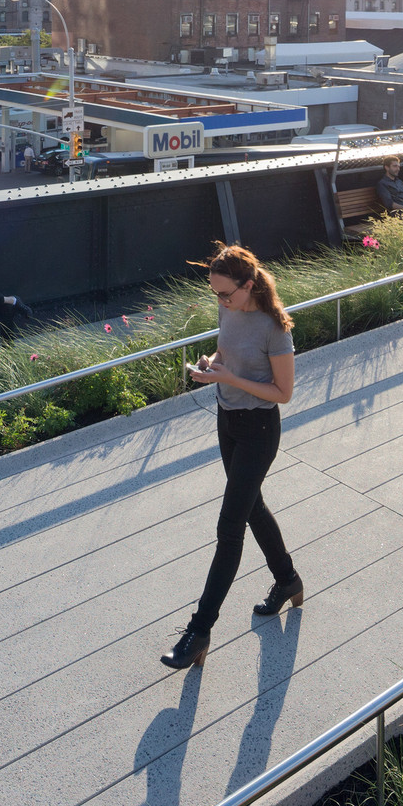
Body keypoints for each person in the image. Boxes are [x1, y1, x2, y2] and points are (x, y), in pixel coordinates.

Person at [162, 244, 302, 671]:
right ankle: (288, 579)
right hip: (227, 421)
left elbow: (284, 394)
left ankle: (199, 630)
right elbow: (226, 351)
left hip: (260, 430)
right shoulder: (228, 309)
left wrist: (232, 377)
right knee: (252, 507)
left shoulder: (274, 328)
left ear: (248, 284)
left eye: (226, 294)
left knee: (230, 527)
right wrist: (212, 366)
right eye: (215, 294)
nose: (220, 302)